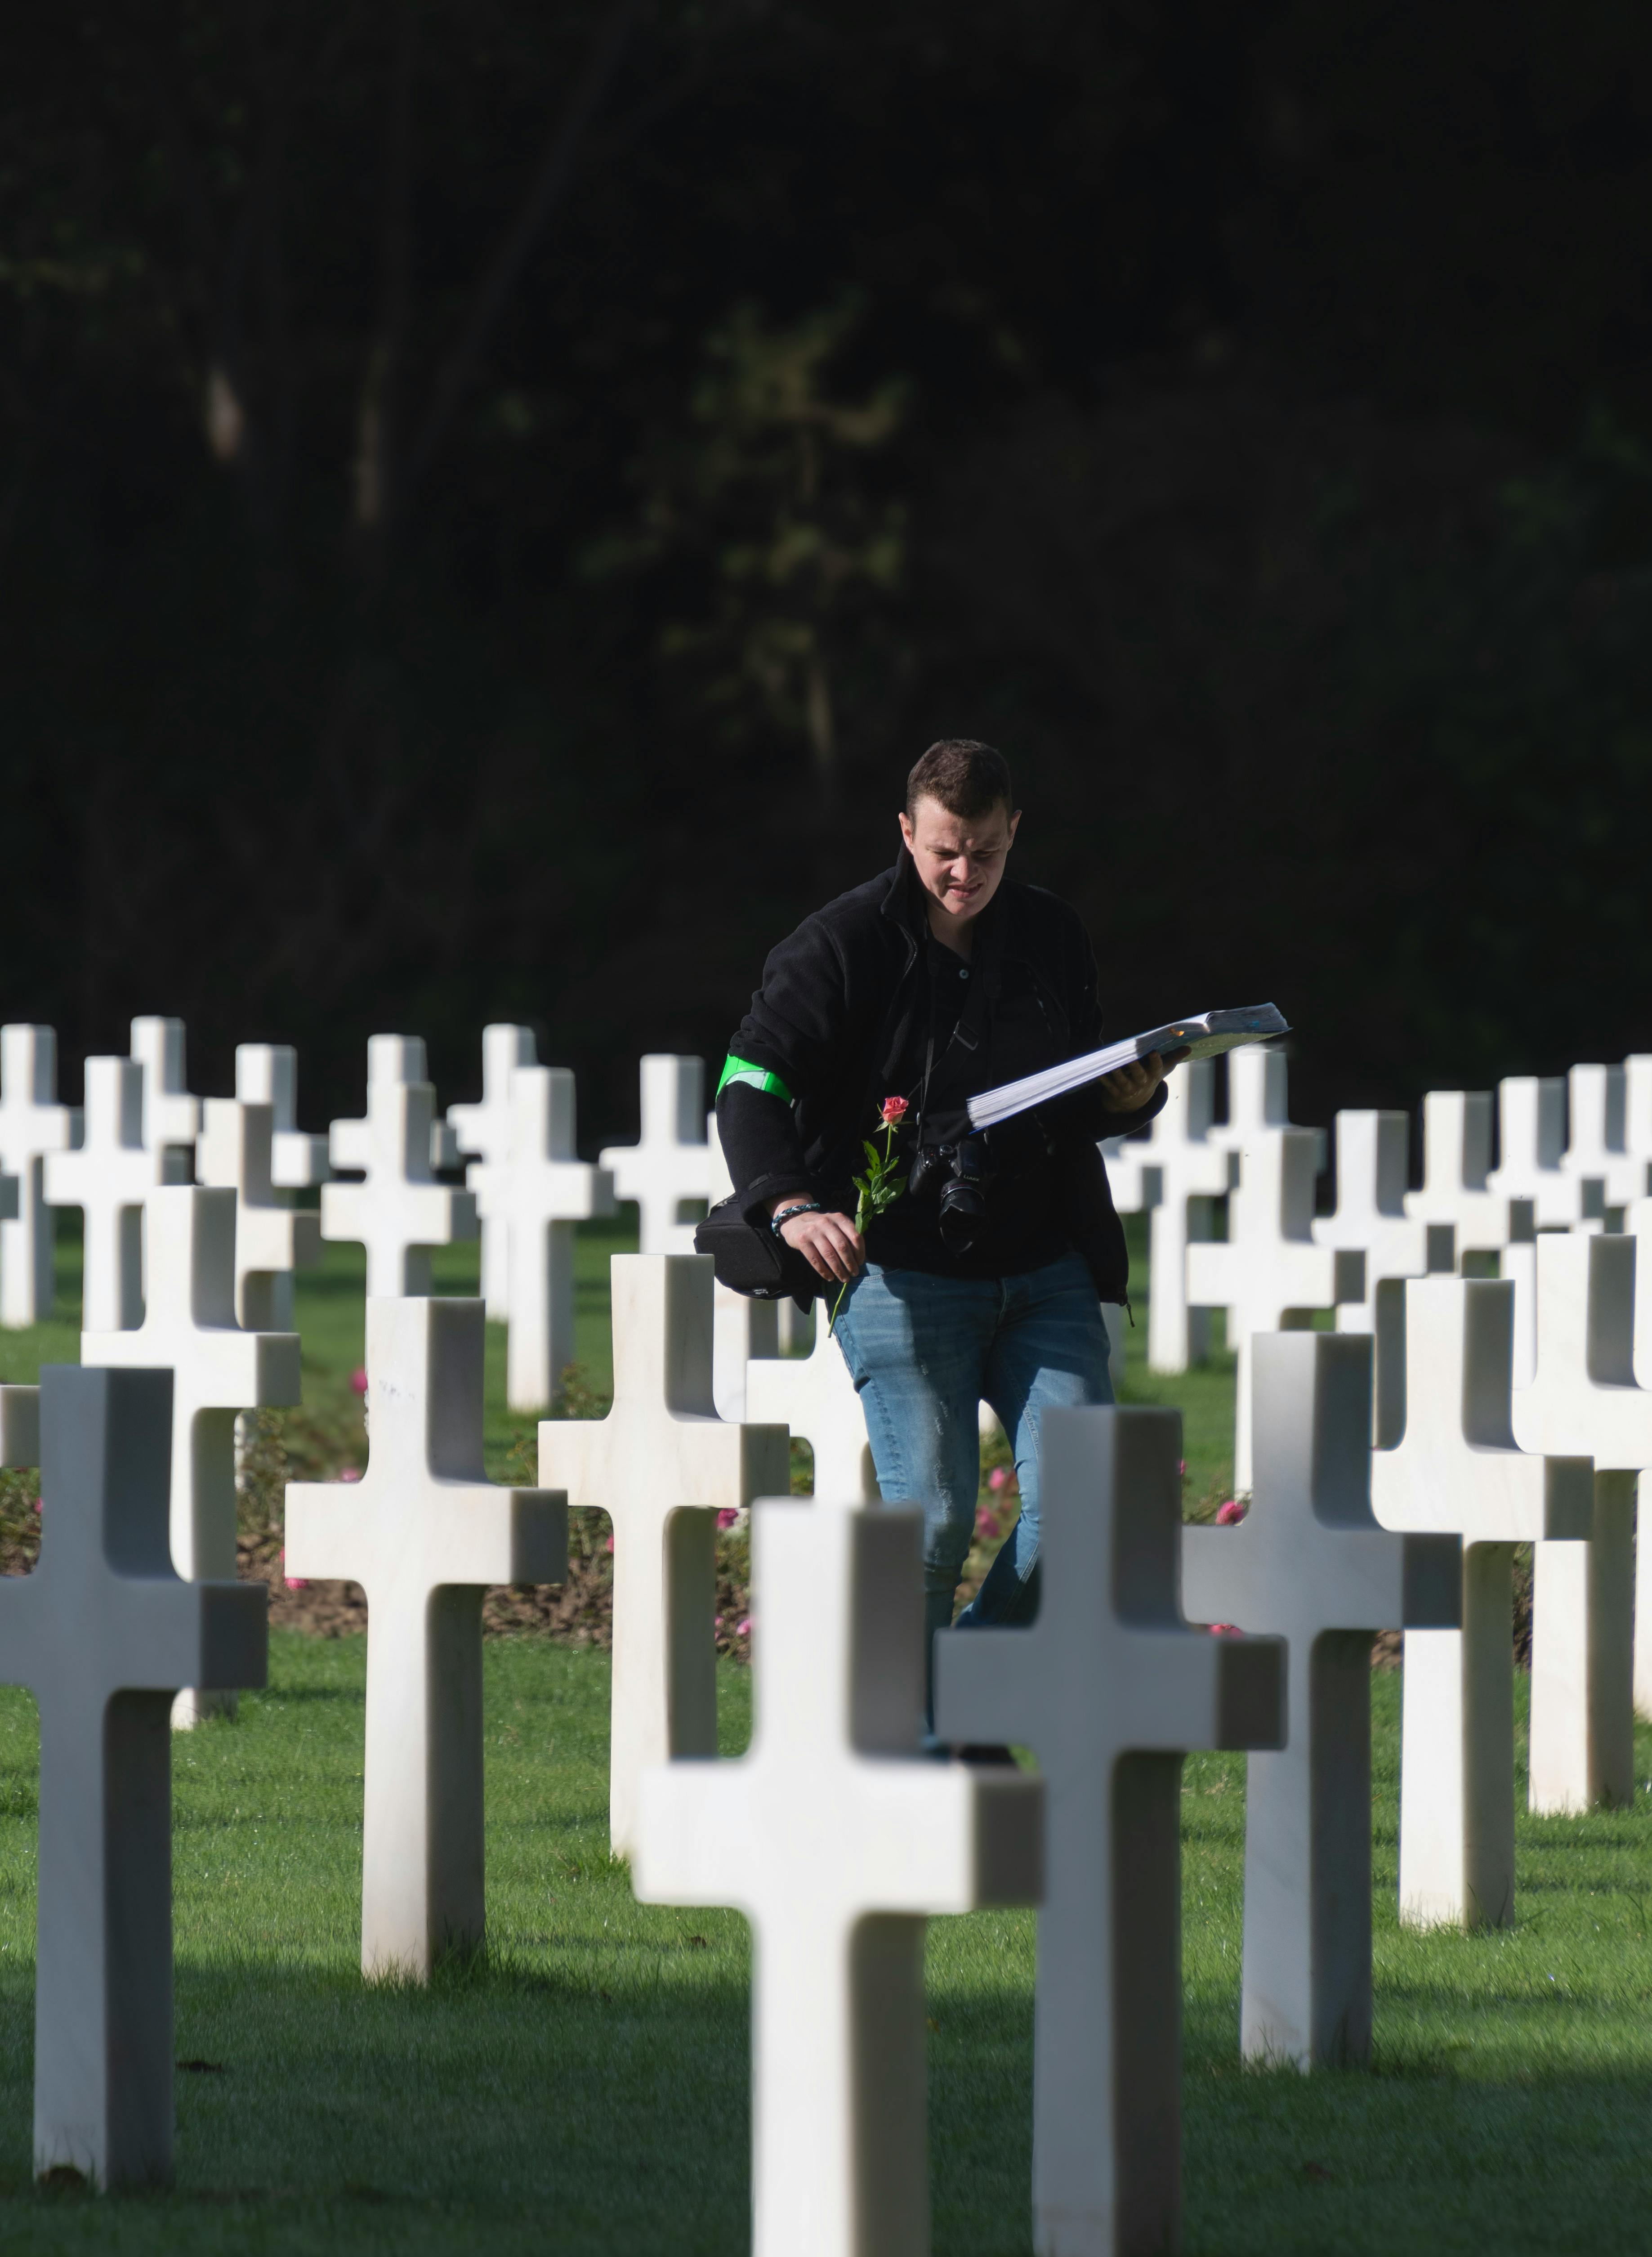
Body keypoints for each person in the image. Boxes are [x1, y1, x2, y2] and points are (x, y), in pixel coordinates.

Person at [714, 738, 1175, 1718]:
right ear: (905, 833)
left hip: (1044, 1264)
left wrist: (1129, 1097)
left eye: (986, 851)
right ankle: (915, 1753)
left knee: (1089, 1507)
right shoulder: (837, 945)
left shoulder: (1051, 934)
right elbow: (747, 1085)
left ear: (1016, 833)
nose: (964, 873)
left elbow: (1069, 1095)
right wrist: (792, 1205)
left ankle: (958, 1698)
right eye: (943, 852)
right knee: (930, 1526)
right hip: (896, 1272)